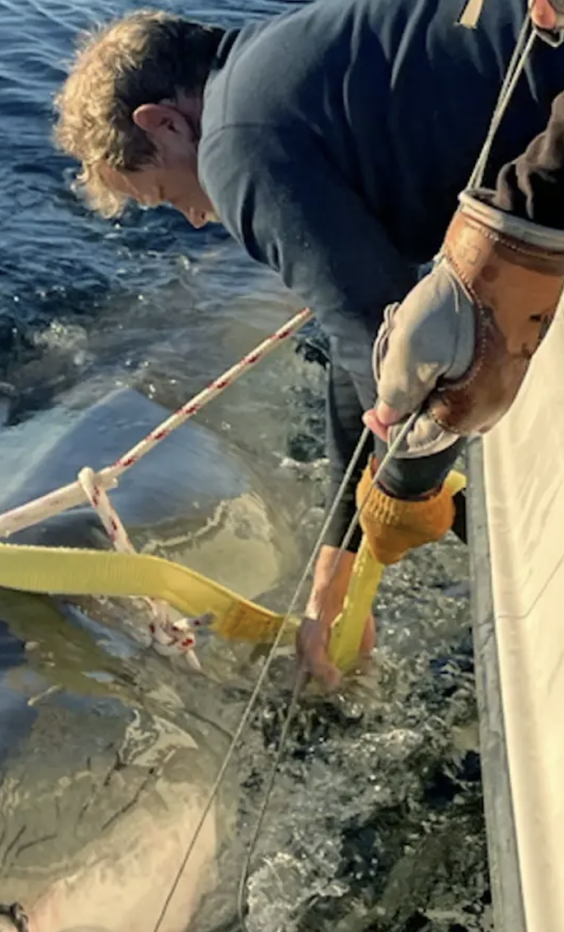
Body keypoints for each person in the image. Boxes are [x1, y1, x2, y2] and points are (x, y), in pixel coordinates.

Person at [51, 0, 564, 687]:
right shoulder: (287, 66)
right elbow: (366, 337)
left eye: (167, 194)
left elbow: (399, 366)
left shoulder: (234, 150)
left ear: (163, 123)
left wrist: (408, 497)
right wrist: (339, 558)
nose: (199, 219)